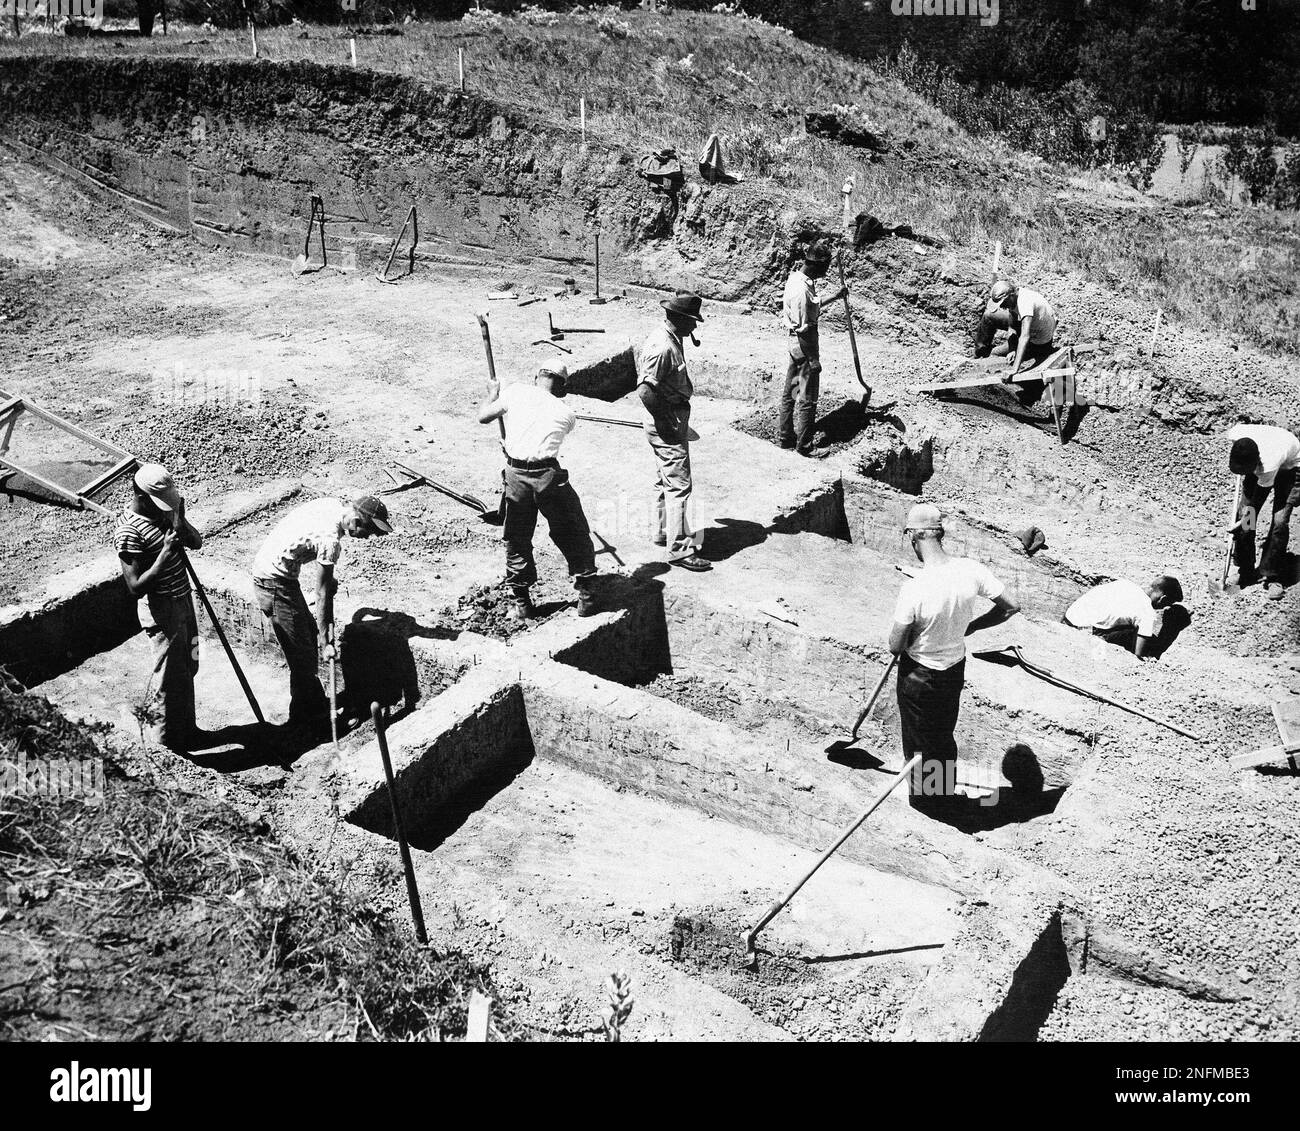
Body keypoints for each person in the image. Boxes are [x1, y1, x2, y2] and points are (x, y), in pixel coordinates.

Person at [888, 503, 1020, 810]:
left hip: (919, 675)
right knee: (942, 735)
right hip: (953, 670)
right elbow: (1010, 606)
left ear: (914, 538)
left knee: (920, 742)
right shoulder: (970, 570)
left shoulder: (915, 587)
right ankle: (943, 792)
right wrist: (970, 627)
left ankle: (927, 803)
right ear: (940, 535)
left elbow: (896, 645)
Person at [250, 495, 391, 735]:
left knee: (305, 634)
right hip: (273, 582)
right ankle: (307, 723)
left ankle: (313, 704)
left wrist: (328, 585)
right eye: (368, 531)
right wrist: (326, 641)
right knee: (302, 654)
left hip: (278, 573)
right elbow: (323, 594)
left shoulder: (333, 505)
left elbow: (325, 582)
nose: (368, 537)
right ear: (357, 520)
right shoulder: (330, 540)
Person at [477, 364, 599, 621]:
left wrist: (493, 392)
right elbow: (541, 435)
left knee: (517, 537)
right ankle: (587, 593)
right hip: (547, 478)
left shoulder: (514, 392)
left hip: (516, 475)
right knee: (572, 530)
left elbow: (484, 416)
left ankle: (522, 603)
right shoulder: (566, 414)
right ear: (563, 387)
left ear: (536, 378)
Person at [115, 463, 204, 751]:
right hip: (161, 613)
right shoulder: (129, 531)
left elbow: (197, 543)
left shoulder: (164, 516)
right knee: (168, 680)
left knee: (188, 666)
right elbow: (135, 586)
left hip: (183, 603)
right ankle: (167, 748)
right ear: (140, 496)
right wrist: (165, 553)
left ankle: (187, 731)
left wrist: (180, 524)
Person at [638, 290, 711, 572]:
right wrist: (668, 421)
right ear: (679, 319)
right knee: (679, 485)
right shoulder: (662, 348)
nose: (695, 326)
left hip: (668, 419)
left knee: (664, 480)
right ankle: (680, 549)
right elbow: (645, 391)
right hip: (665, 422)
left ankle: (662, 532)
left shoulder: (670, 338)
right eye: (692, 321)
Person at [779, 241, 846, 456]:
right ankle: (804, 445)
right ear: (817, 266)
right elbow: (804, 330)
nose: (826, 272)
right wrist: (813, 360)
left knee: (793, 391)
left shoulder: (798, 279)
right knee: (807, 397)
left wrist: (835, 296)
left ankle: (786, 437)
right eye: (825, 268)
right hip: (804, 346)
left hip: (796, 346)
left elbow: (812, 307)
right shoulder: (801, 290)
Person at [1227, 423, 1300, 600]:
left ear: (1256, 463)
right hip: (1259, 461)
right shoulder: (1236, 433)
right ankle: (1245, 570)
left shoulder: (1269, 461)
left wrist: (1245, 519)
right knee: (1244, 518)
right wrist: (1243, 521)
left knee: (1279, 522)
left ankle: (1272, 574)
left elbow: (1255, 505)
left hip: (1291, 468)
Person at [975, 280, 1058, 407]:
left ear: (1011, 296)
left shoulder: (1025, 303)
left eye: (1004, 303)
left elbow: (1025, 336)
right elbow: (1012, 326)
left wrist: (1014, 369)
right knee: (988, 316)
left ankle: (1031, 393)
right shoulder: (1014, 299)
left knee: (995, 353)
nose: (1002, 307)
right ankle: (978, 356)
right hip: (1030, 328)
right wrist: (1013, 348)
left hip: (1038, 342)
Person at [1064, 575, 1186, 659]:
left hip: (1068, 618)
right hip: (1083, 633)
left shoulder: (1125, 584)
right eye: (1166, 604)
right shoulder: (1147, 612)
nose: (1162, 609)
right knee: (1134, 633)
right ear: (1162, 599)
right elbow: (1138, 654)